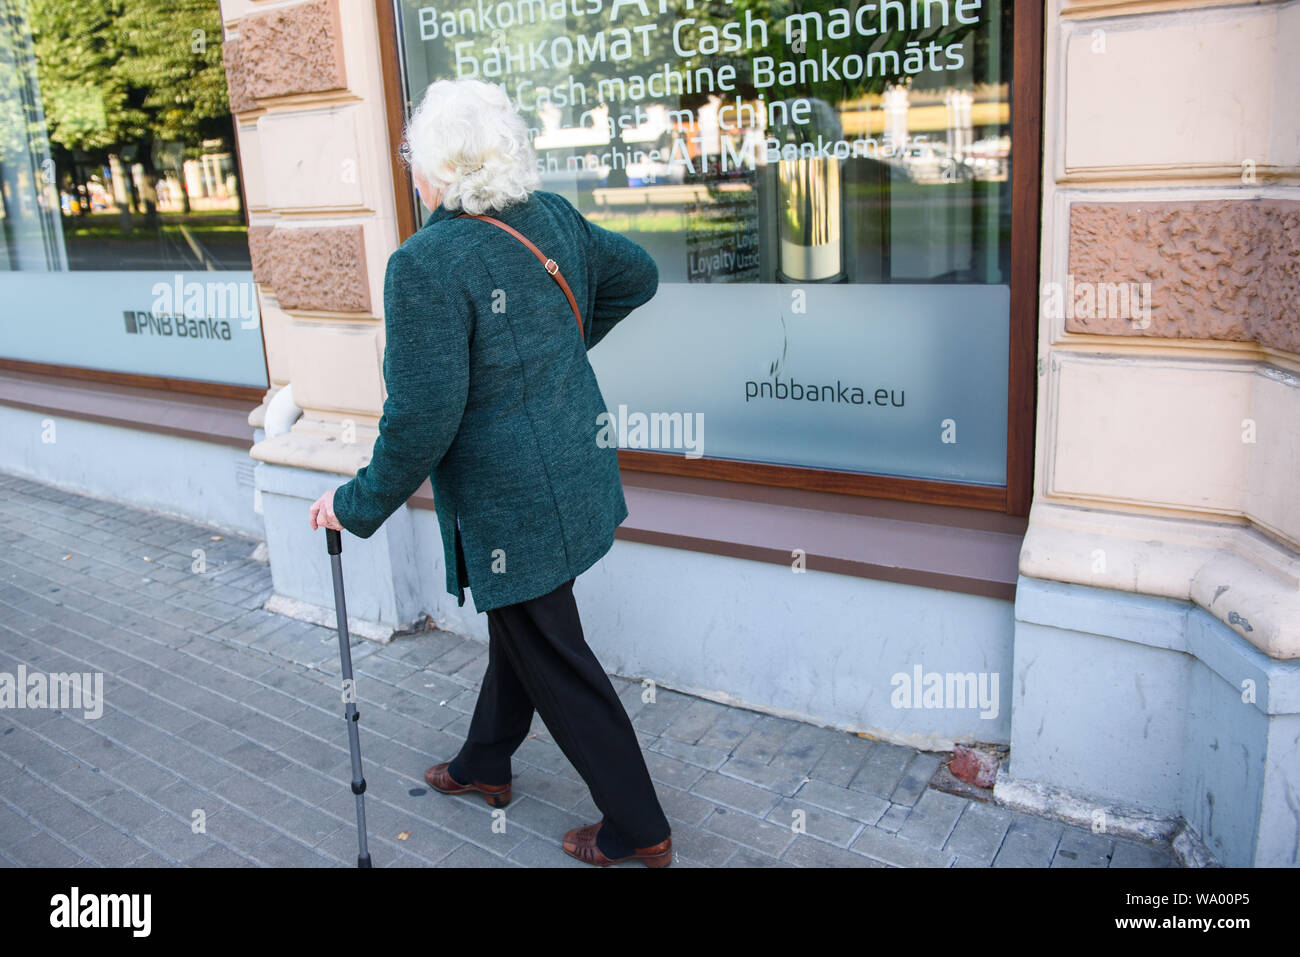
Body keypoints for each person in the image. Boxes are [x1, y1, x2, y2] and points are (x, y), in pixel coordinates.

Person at [307, 78, 672, 867]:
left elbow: (420, 422)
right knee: (526, 628)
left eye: (414, 156)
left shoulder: (426, 263)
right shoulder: (549, 217)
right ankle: (485, 764)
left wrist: (353, 503)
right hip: (572, 470)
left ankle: (639, 828)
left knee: (555, 654)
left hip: (516, 505)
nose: (410, 170)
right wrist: (556, 353)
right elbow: (637, 273)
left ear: (435, 168)